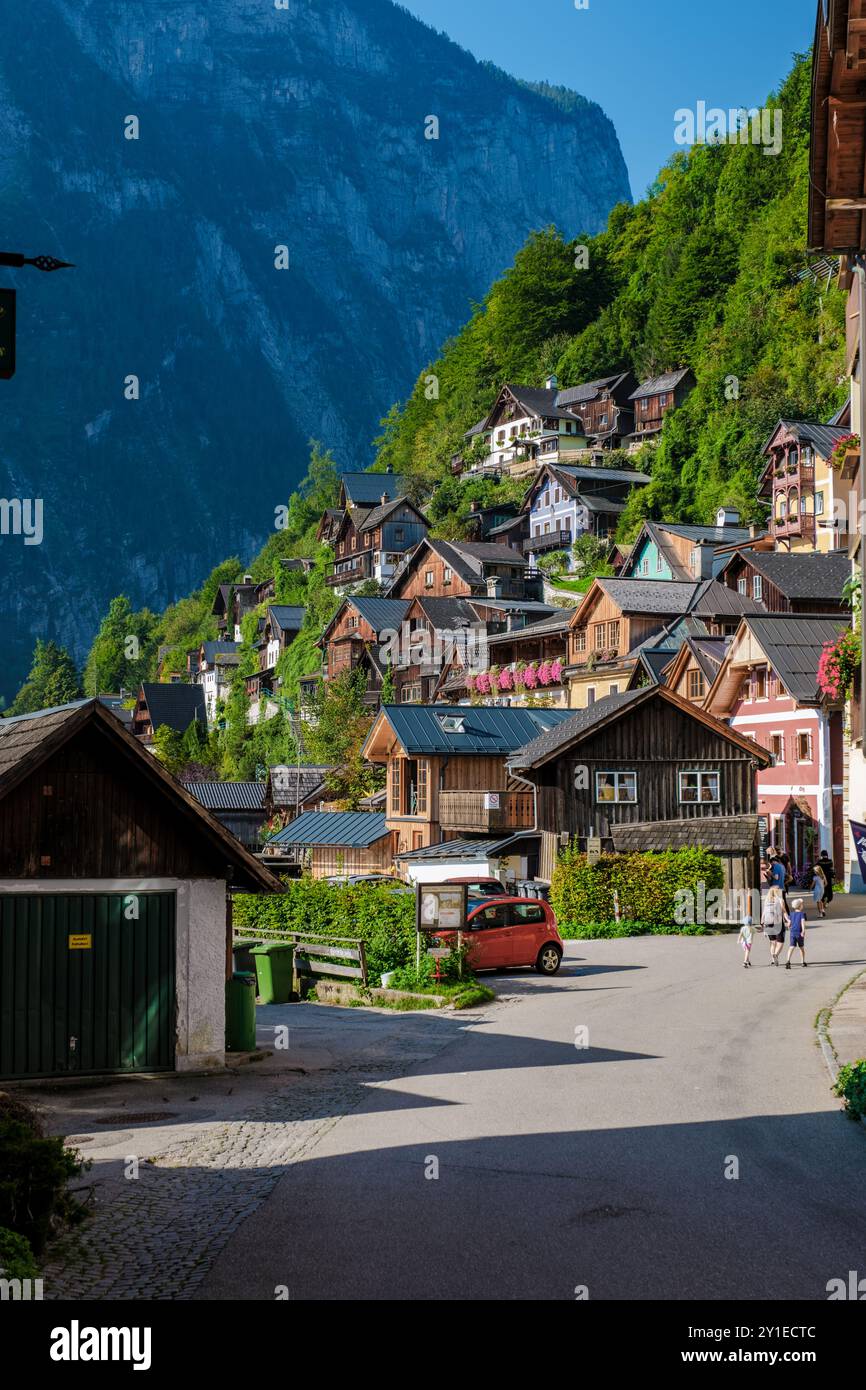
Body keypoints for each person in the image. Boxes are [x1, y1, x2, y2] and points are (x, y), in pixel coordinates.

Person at [761, 886, 787, 965]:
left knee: (772, 942)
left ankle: (773, 959)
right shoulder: (780, 900)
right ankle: (776, 954)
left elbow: (764, 912)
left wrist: (762, 922)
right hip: (778, 922)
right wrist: (788, 920)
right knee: (780, 942)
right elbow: (784, 912)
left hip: (768, 922)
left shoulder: (766, 901)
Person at [786, 898, 808, 969]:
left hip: (792, 933)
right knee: (801, 948)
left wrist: (789, 927)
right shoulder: (802, 914)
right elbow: (802, 922)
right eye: (802, 905)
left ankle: (788, 961)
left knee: (791, 947)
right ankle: (802, 962)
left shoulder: (791, 914)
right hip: (799, 933)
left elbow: (789, 923)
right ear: (800, 906)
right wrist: (803, 931)